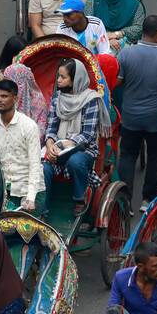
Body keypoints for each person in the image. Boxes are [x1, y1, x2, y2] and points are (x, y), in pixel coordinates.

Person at [116, 16, 157, 212]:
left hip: (130, 118)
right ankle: (148, 198)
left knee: (127, 156)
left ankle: (125, 200)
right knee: (155, 158)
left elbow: (118, 82)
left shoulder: (125, 54)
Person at [43, 59, 109, 219]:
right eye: (58, 76)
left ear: (75, 79)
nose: (58, 80)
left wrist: (68, 143)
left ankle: (79, 199)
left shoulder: (91, 100)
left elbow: (87, 134)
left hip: (84, 149)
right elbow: (51, 128)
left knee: (75, 161)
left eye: (63, 77)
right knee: (43, 168)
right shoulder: (57, 99)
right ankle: (42, 209)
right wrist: (50, 143)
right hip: (58, 148)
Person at [0, 78, 43, 211]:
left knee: (26, 231)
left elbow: (35, 164)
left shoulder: (29, 126)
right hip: (6, 190)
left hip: (30, 190)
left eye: (4, 96)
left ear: (15, 99)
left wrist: (30, 198)